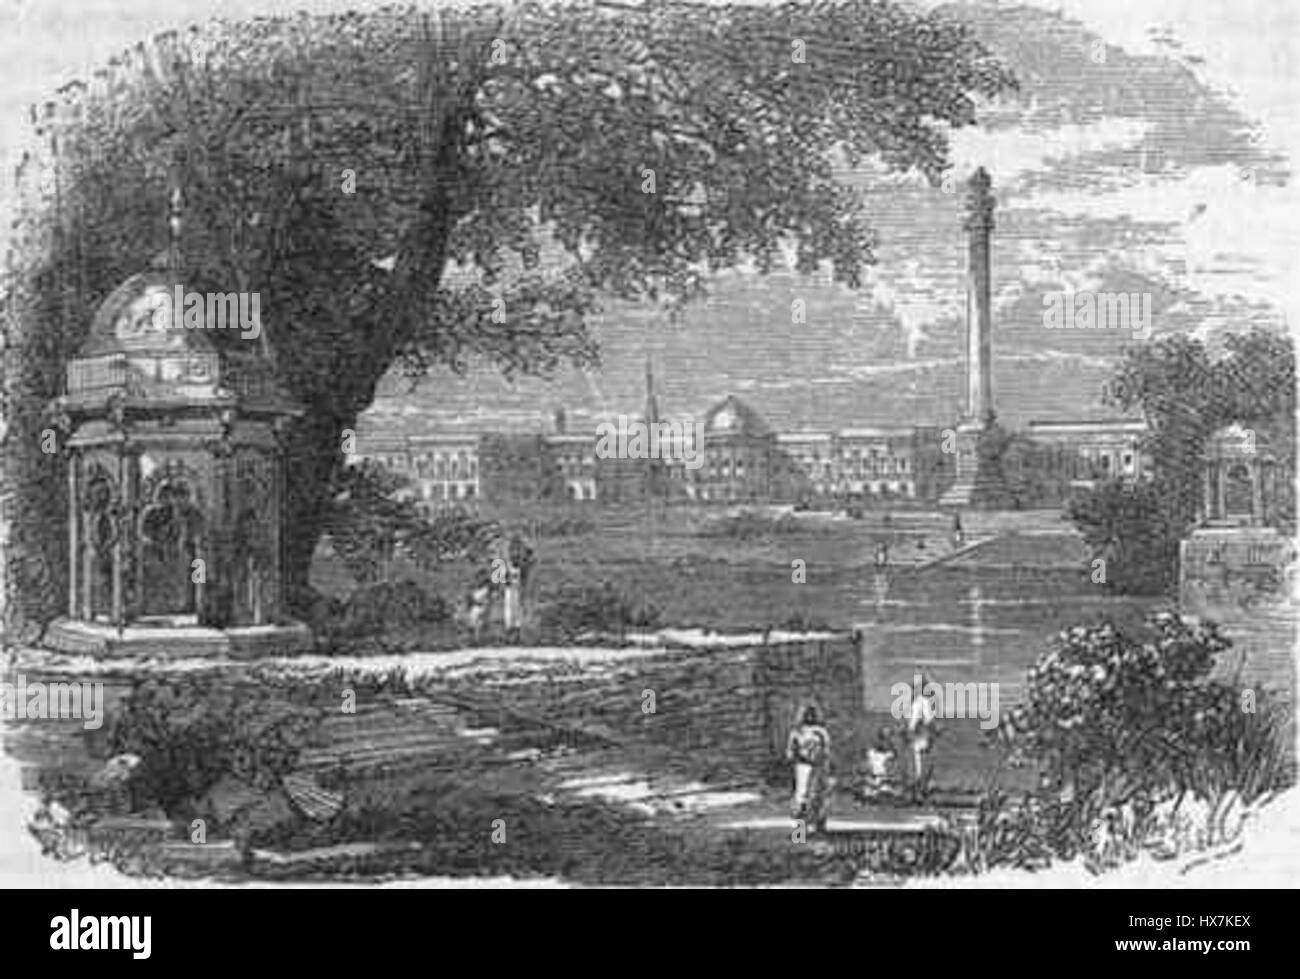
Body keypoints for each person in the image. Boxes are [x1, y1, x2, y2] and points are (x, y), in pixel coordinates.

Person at [785, 704, 832, 833]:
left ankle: (819, 827)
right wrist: (798, 756)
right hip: (802, 767)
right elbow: (790, 751)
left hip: (818, 767)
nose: (810, 717)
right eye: (807, 714)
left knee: (819, 795)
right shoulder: (796, 732)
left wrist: (823, 763)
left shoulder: (821, 732)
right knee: (802, 796)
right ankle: (800, 832)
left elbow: (827, 750)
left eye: (812, 714)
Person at [907, 675, 938, 799]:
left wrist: (928, 739)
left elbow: (925, 724)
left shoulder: (921, 702)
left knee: (918, 768)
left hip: (919, 740)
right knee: (919, 768)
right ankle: (920, 791)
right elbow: (928, 723)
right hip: (919, 739)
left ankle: (919, 792)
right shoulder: (920, 702)